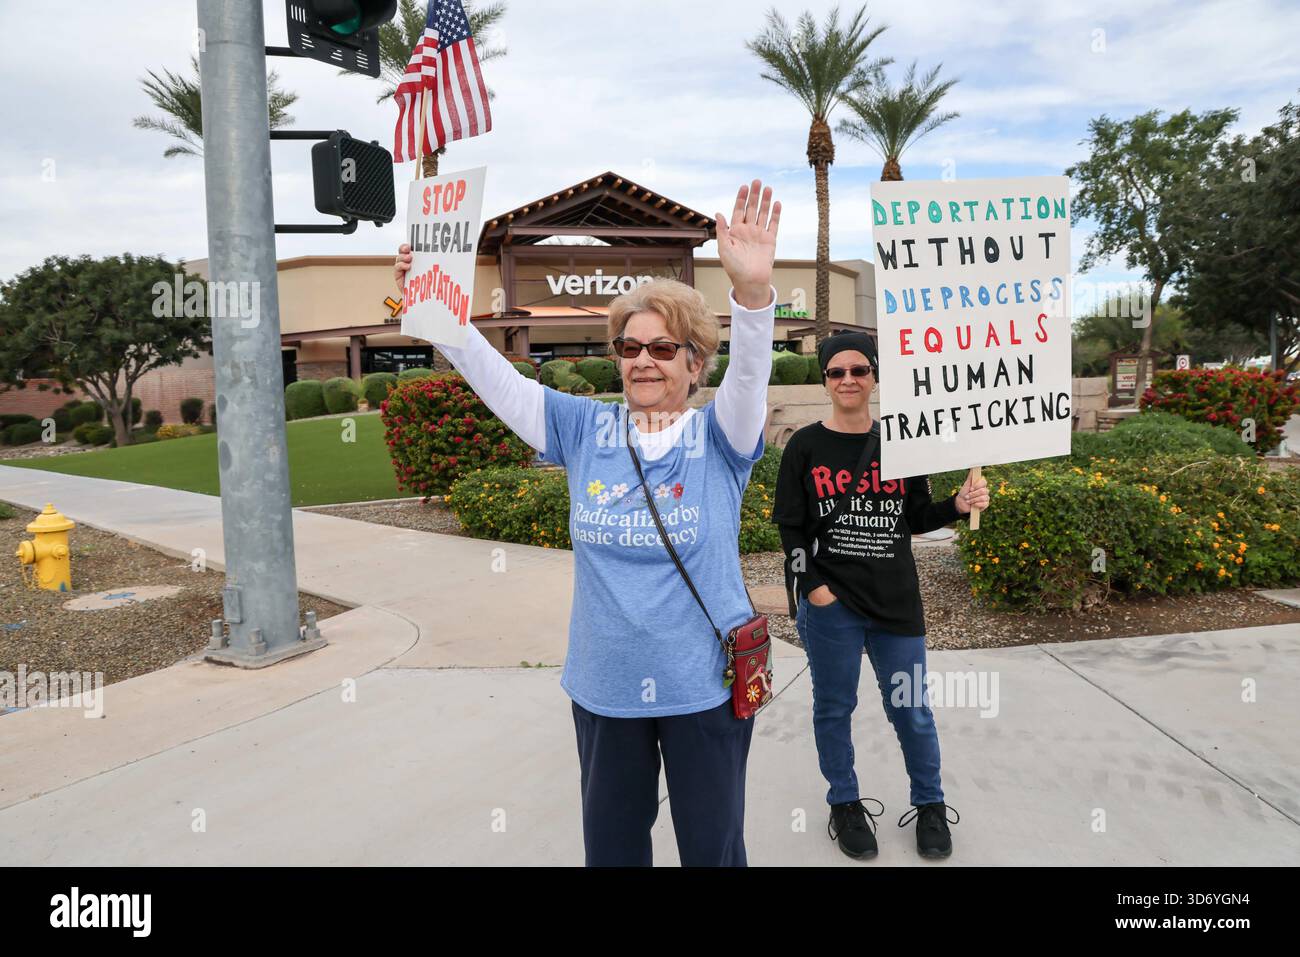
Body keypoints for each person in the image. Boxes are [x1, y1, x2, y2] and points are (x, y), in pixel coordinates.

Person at [395, 180, 782, 866]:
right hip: (605, 688)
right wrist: (442, 316)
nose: (642, 360)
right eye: (628, 347)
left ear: (695, 364)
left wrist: (752, 296)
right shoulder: (584, 428)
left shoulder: (720, 437)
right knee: (611, 850)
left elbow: (751, 378)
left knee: (713, 849)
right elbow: (501, 383)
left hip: (704, 688)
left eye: (663, 349)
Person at [771, 332, 990, 861]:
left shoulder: (901, 442)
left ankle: (930, 804)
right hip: (832, 607)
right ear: (825, 380)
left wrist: (956, 506)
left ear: (873, 376)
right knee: (834, 707)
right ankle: (844, 803)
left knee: (911, 708)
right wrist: (813, 588)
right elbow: (791, 528)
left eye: (858, 370)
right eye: (836, 372)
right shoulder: (805, 446)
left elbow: (915, 517)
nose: (848, 379)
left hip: (895, 603)